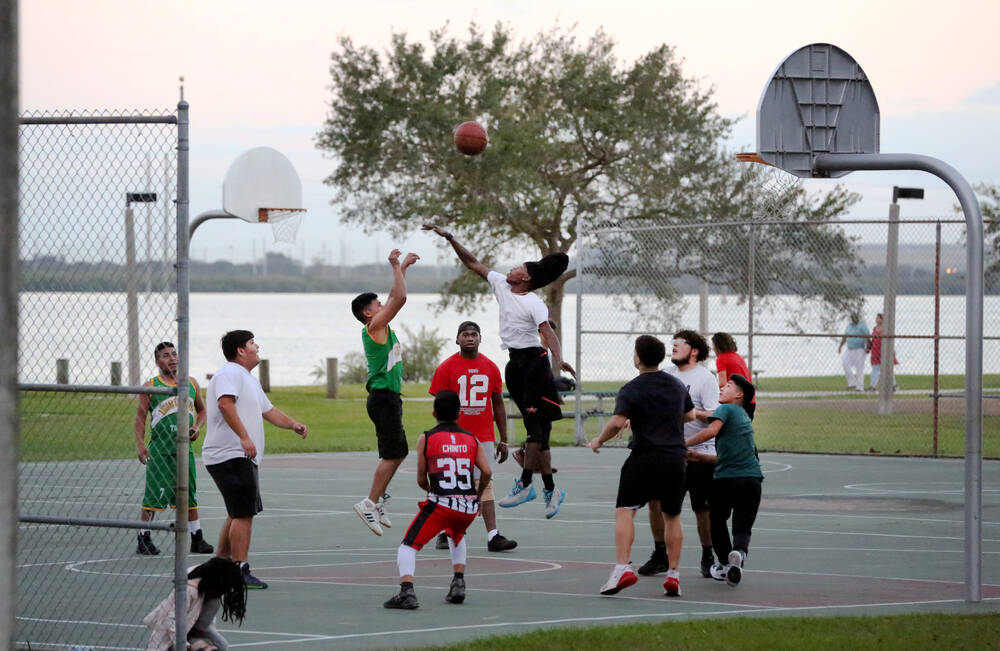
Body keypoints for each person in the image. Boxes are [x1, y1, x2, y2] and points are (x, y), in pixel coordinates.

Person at [422, 224, 574, 519]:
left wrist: (560, 358)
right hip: (515, 365)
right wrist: (451, 237)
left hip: (534, 364)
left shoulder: (533, 303)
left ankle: (526, 483)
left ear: (526, 277)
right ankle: (549, 488)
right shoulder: (502, 284)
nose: (512, 268)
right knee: (539, 434)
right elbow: (472, 263)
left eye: (517, 266)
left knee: (537, 431)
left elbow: (548, 333)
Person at [588, 335, 694, 598]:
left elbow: (615, 423)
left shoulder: (631, 389)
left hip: (644, 457)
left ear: (638, 358)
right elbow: (690, 415)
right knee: (673, 515)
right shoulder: (677, 385)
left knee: (625, 510)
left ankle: (622, 567)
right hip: (674, 459)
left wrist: (598, 440)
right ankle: (673, 575)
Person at [202, 330, 308, 589]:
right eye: (252, 343)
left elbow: (268, 411)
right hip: (231, 454)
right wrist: (244, 438)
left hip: (238, 455)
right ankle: (239, 569)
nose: (257, 346)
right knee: (243, 513)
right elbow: (226, 405)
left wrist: (293, 424)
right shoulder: (229, 373)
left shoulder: (246, 378)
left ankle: (221, 564)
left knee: (236, 511)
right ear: (240, 350)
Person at [383, 390, 492, 609]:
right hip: (468, 505)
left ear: (434, 413)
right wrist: (477, 496)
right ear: (459, 414)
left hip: (442, 502)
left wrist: (432, 490)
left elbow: (421, 479)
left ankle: (407, 591)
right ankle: (458, 582)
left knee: (408, 546)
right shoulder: (472, 439)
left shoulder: (427, 437)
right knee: (457, 535)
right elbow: (487, 472)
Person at [636, 330, 720, 579]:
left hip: (698, 452)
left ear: (694, 350)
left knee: (701, 507)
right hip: (669, 452)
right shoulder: (667, 376)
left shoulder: (706, 378)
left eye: (679, 344)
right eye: (672, 344)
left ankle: (708, 555)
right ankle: (660, 554)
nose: (673, 347)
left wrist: (688, 410)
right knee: (656, 503)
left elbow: (714, 416)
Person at [429, 321, 517, 552]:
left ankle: (493, 536)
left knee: (485, 482)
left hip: (483, 436)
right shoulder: (446, 368)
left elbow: (497, 404)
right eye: (465, 335)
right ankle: (444, 531)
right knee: (451, 484)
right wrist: (442, 435)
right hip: (454, 436)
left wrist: (504, 438)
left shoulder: (490, 367)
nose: (470, 338)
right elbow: (439, 405)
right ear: (457, 339)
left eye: (474, 334)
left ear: (480, 338)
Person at [350, 249, 420, 536]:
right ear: (369, 312)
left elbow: (394, 296)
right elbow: (400, 298)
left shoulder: (380, 323)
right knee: (392, 455)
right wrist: (394, 265)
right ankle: (368, 502)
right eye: (378, 303)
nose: (383, 304)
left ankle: (378, 500)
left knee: (399, 452)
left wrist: (402, 268)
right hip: (382, 398)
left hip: (388, 398)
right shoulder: (375, 326)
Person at [134, 341, 214, 556]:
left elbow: (202, 411)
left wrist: (197, 427)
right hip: (160, 451)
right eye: (166, 355)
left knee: (189, 494)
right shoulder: (151, 385)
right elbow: (140, 418)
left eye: (174, 354)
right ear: (157, 361)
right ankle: (143, 537)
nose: (171, 358)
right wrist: (141, 445)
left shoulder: (191, 383)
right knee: (153, 497)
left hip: (184, 451)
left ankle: (197, 538)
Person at [685, 374, 763, 588]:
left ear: (739, 395)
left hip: (726, 480)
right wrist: (699, 456)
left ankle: (724, 563)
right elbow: (734, 456)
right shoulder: (744, 419)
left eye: (728, 386)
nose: (722, 387)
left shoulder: (726, 409)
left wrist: (683, 444)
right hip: (752, 479)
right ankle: (738, 553)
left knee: (716, 520)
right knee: (742, 526)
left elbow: (711, 431)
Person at [144, 556, 247, 650]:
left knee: (222, 645)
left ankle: (198, 642)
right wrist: (186, 645)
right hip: (170, 636)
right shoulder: (189, 590)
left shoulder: (209, 587)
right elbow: (170, 620)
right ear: (217, 582)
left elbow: (206, 621)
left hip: (192, 628)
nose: (226, 590)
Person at [711, 332, 756, 419]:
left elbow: (722, 383)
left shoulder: (721, 358)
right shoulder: (737, 356)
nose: (713, 349)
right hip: (750, 401)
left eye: (713, 346)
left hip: (737, 403)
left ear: (718, 346)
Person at [837, 312, 870, 392]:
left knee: (859, 368)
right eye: (852, 317)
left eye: (855, 317)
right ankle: (852, 383)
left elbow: (867, 337)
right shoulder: (849, 326)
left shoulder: (862, 325)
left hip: (859, 349)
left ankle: (860, 387)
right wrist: (840, 346)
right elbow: (845, 336)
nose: (853, 319)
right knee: (845, 363)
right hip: (849, 349)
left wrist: (868, 347)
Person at [869, 312, 898, 391]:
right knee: (875, 369)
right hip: (875, 351)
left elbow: (890, 341)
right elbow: (872, 340)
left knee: (888, 369)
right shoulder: (875, 329)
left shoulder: (886, 329)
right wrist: (869, 348)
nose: (876, 319)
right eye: (876, 318)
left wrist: (892, 351)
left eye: (878, 318)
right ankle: (872, 386)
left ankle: (893, 385)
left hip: (884, 351)